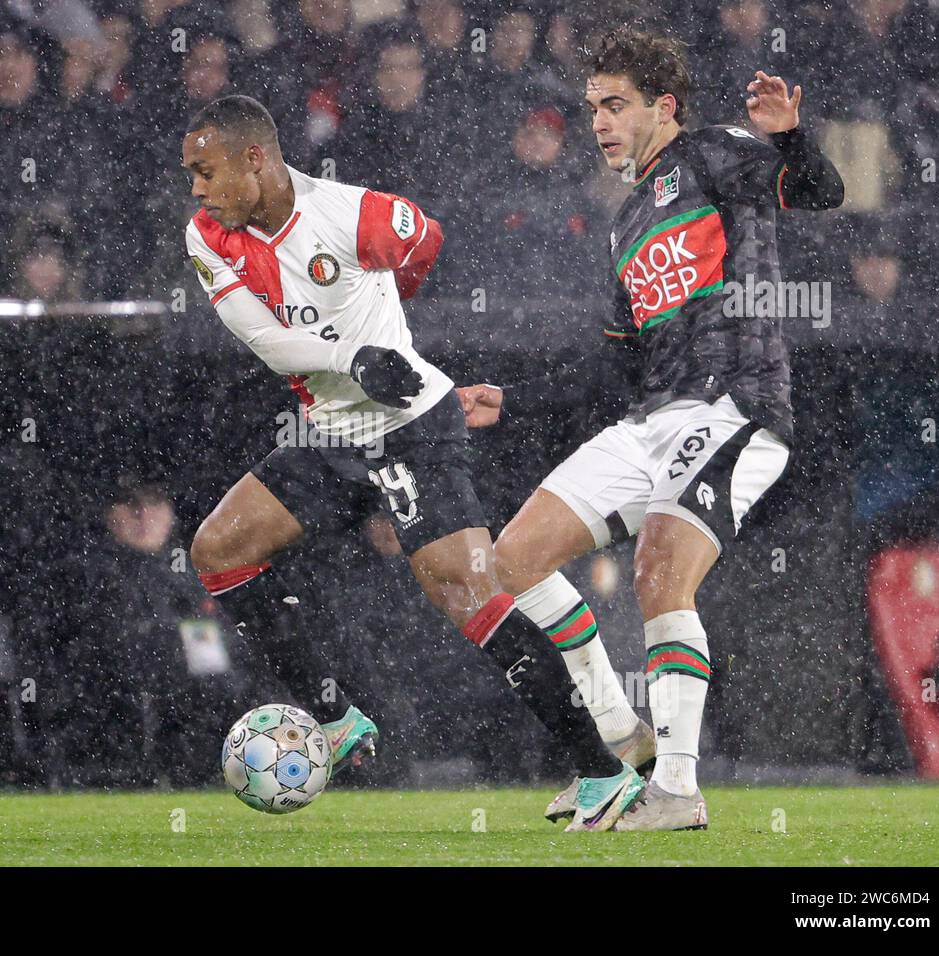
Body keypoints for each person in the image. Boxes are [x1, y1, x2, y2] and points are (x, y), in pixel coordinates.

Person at [181, 94, 639, 818]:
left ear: (254, 159)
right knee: (219, 550)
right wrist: (354, 355)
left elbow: (425, 237)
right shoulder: (207, 235)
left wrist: (396, 329)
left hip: (410, 423)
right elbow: (264, 340)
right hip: (330, 429)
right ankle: (335, 717)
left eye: (206, 172)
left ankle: (602, 771)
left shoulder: (347, 212)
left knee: (467, 596)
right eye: (191, 176)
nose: (198, 189)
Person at [478, 27, 845, 830]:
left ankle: (677, 789)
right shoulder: (625, 224)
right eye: (593, 108)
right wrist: (511, 400)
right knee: (511, 559)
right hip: (652, 418)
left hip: (735, 406)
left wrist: (791, 136)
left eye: (616, 105)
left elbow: (819, 190)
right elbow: (613, 370)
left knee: (659, 569)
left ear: (664, 107)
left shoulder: (717, 154)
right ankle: (619, 740)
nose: (601, 122)